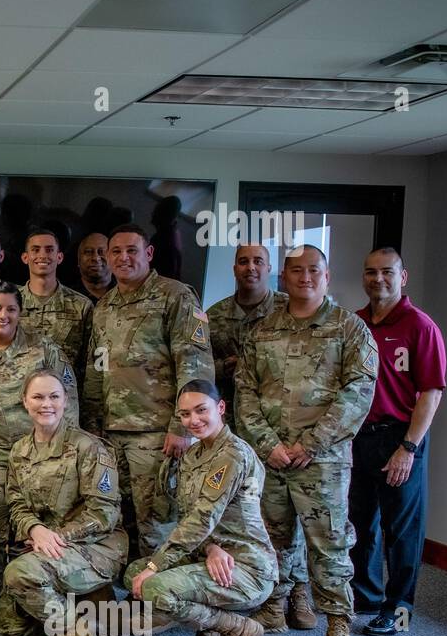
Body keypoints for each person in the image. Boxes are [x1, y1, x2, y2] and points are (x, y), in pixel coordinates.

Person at [237, 245, 377, 636]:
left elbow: (359, 391)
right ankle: (274, 607)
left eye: (313, 270)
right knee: (272, 538)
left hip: (323, 461)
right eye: (296, 271)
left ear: (327, 275)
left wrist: (310, 444)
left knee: (329, 543)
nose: (305, 277)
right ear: (283, 277)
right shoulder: (261, 331)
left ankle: (336, 624)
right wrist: (269, 446)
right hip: (272, 459)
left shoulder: (349, 328)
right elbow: (245, 393)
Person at [83, 223, 214, 560]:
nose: (123, 258)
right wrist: (93, 427)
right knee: (117, 517)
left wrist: (182, 427)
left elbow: (194, 364)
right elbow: (96, 369)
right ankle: (131, 592)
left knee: (157, 522)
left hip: (157, 434)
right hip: (111, 435)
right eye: (116, 252)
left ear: (149, 254)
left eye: (132, 250)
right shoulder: (104, 307)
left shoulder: (176, 296)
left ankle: (159, 601)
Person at [126, 380, 276, 636]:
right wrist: (210, 548)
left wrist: (155, 566)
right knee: (133, 573)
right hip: (213, 555)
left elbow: (202, 517)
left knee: (154, 586)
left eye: (200, 410)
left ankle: (235, 629)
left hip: (246, 565)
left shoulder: (232, 454)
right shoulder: (194, 454)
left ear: (220, 408)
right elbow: (188, 515)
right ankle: (207, 629)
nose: (193, 420)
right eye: (184, 414)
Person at [0, 282, 78, 622]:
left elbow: (67, 404)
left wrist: (63, 454)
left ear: (20, 312)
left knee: (41, 522)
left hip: (43, 454)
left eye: (10, 309)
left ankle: (38, 593)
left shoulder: (44, 350)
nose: (3, 315)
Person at [0, 370, 126, 636]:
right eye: (38, 397)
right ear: (25, 402)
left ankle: (74, 628)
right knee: (6, 628)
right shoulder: (19, 451)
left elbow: (104, 514)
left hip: (95, 547)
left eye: (54, 396)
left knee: (18, 575)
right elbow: (16, 504)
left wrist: (56, 537)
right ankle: (92, 601)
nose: (46, 404)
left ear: (66, 401)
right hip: (45, 545)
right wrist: (35, 529)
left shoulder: (88, 448)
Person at [350, 247, 445, 635]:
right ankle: (366, 595)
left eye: (387, 272)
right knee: (361, 523)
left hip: (400, 438)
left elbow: (431, 393)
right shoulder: (354, 325)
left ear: (402, 277)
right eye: (371, 272)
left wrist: (408, 448)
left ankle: (398, 609)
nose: (378, 279)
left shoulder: (420, 326)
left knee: (402, 530)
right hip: (358, 438)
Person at [206, 243, 283, 415]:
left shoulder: (287, 310)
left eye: (258, 261)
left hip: (276, 416)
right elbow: (197, 365)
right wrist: (223, 367)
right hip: (228, 419)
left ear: (269, 268)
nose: (250, 267)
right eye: (243, 262)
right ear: (234, 269)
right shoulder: (214, 314)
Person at [17, 228, 93, 374]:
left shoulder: (81, 306)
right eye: (36, 249)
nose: (43, 255)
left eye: (49, 250)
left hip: (66, 392)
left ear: (59, 257)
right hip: (19, 393)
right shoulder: (10, 304)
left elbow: (90, 360)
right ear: (25, 257)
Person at [74, 233, 114, 304]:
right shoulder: (65, 297)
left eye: (102, 252)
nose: (96, 258)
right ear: (78, 260)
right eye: (89, 252)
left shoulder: (128, 293)